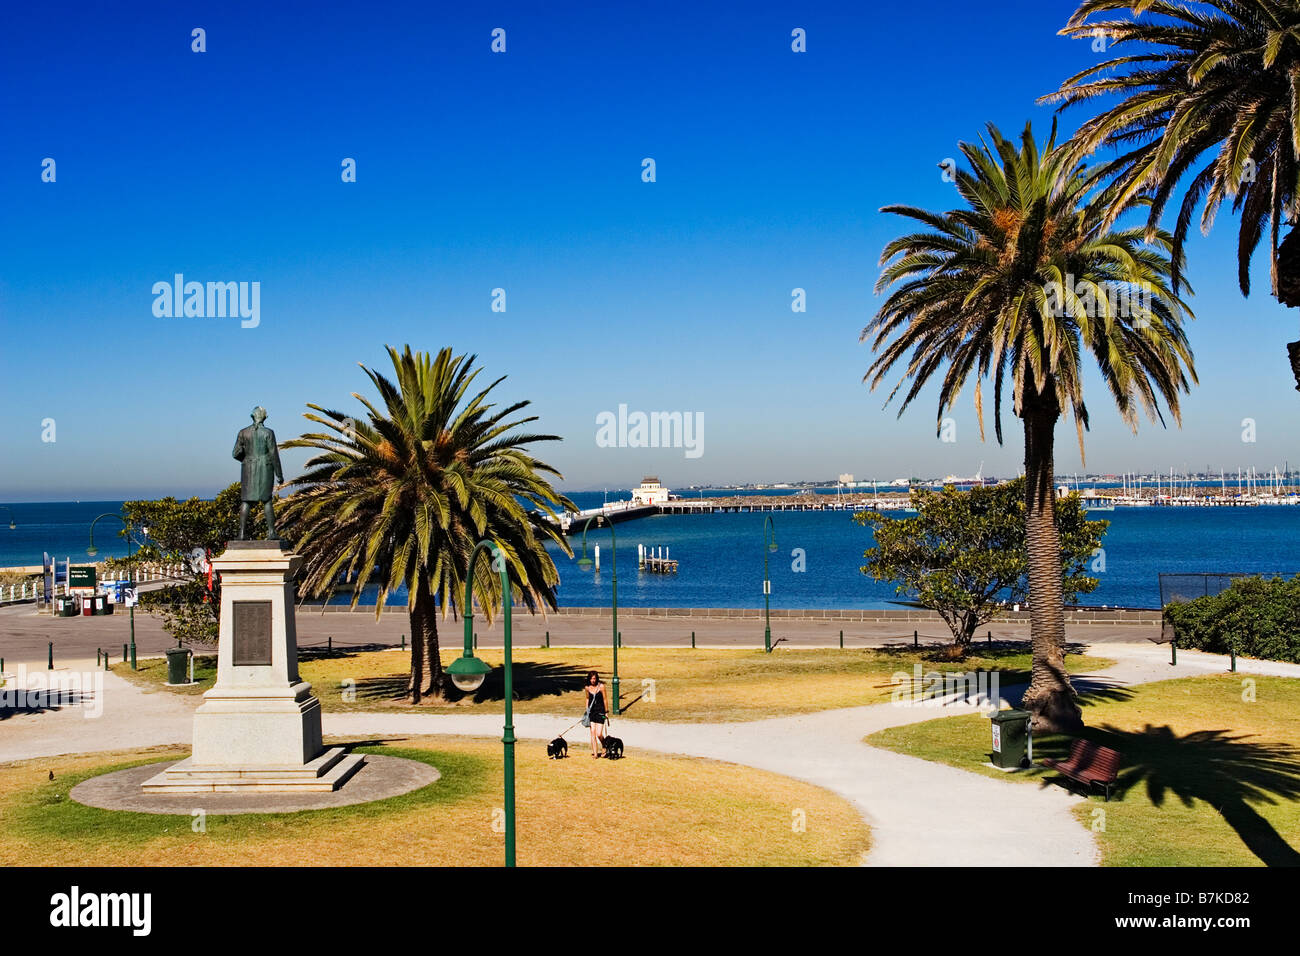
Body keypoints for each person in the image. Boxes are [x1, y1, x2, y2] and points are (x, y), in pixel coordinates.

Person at [584, 670, 610, 757]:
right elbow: (587, 698)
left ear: (597, 678)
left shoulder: (601, 686)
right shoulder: (587, 687)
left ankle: (604, 745)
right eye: (591, 679)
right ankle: (595, 754)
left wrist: (606, 712)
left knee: (599, 734)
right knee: (592, 732)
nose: (593, 680)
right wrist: (587, 710)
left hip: (601, 712)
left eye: (594, 678)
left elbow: (605, 699)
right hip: (592, 712)